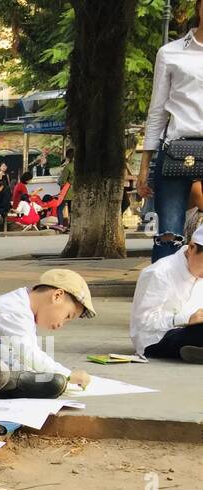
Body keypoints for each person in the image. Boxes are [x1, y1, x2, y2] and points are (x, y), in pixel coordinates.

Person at [0, 269, 95, 397]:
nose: (61, 324)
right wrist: (67, 375)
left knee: (9, 361)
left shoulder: (22, 307)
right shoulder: (15, 310)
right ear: (57, 296)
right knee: (1, 354)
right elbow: (29, 354)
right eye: (67, 316)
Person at [138, 2, 203, 262]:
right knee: (169, 234)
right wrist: (145, 166)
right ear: (199, 7)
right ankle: (162, 299)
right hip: (177, 151)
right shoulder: (170, 53)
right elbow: (157, 112)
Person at [130, 228, 203, 361]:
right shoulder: (159, 273)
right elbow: (144, 322)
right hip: (157, 338)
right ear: (191, 248)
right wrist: (187, 319)